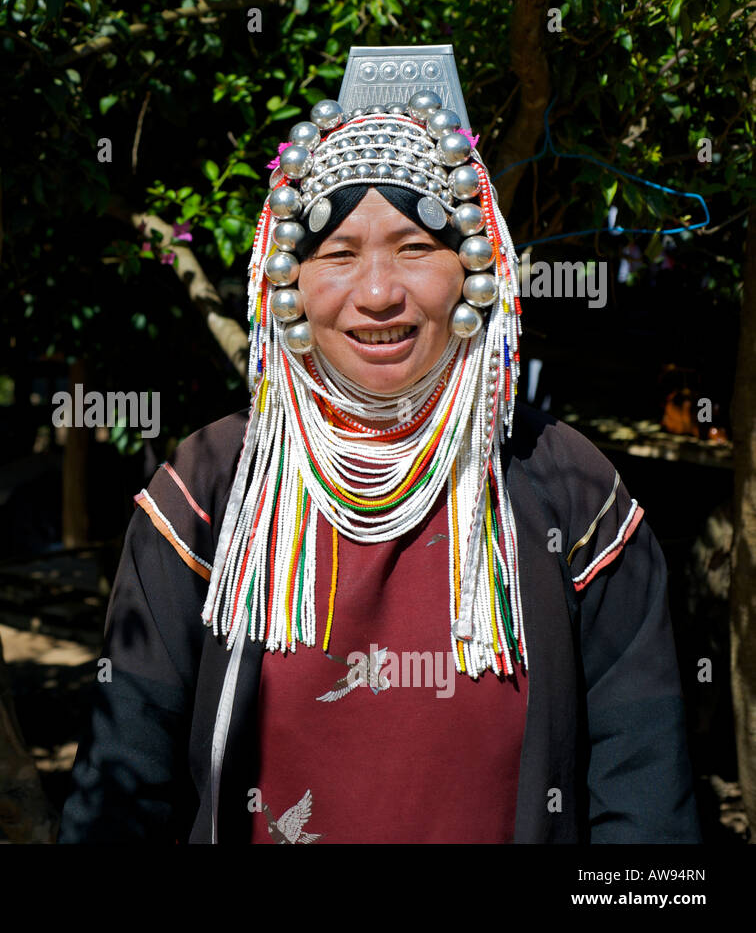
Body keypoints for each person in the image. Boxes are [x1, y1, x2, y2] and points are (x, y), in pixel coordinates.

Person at [57, 46, 701, 844]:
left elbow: (646, 803)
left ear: (474, 272)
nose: (376, 293)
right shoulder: (209, 494)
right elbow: (120, 797)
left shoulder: (569, 491)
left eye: (415, 247)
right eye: (337, 255)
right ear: (287, 285)